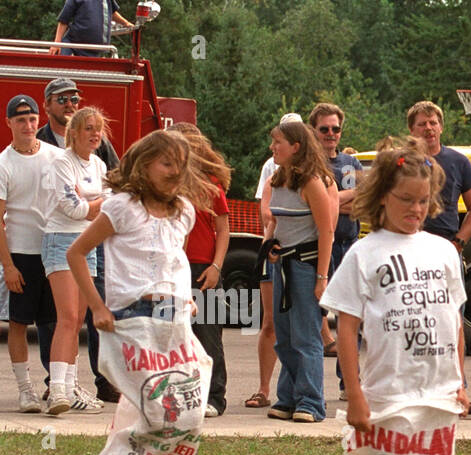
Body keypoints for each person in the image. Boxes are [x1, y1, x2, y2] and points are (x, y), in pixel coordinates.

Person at [323, 144, 469, 432]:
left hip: (439, 398)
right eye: (405, 199)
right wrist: (354, 395)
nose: (416, 209)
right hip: (385, 399)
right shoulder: (363, 253)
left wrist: (460, 384)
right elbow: (348, 328)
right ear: (382, 197)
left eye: (423, 201)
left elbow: (455, 322)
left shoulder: (444, 251)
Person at [67, 128, 208, 340]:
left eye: (181, 165)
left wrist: (186, 295)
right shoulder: (123, 207)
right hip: (131, 313)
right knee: (136, 374)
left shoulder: (184, 210)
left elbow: (176, 257)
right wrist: (97, 307)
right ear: (144, 165)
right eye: (167, 164)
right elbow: (76, 253)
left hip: (174, 311)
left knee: (177, 374)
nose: (176, 171)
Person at [38, 77, 119, 403]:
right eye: (88, 128)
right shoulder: (60, 162)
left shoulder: (99, 164)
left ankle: (71, 387)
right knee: (68, 317)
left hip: (89, 248)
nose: (94, 134)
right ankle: (57, 389)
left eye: (98, 129)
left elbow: (107, 206)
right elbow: (74, 210)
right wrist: (97, 204)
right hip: (61, 242)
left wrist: (93, 205)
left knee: (81, 319)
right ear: (74, 133)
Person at [408, 100, 471, 414]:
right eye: (422, 123)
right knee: (412, 322)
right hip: (410, 249)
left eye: (433, 122)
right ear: (412, 129)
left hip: (445, 247)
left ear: (441, 126)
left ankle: (457, 389)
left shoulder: (458, 161)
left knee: (452, 322)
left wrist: (459, 242)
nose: (429, 128)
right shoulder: (403, 162)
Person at [265, 119, 335, 423]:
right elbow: (275, 222)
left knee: (306, 336)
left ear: (296, 147)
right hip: (280, 266)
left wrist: (322, 278)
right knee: (284, 336)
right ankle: (288, 398)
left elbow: (327, 231)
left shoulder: (312, 183)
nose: (272, 147)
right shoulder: (277, 181)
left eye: (277, 142)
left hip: (306, 268)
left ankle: (311, 402)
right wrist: (269, 246)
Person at [0, 95, 58, 415]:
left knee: (59, 322)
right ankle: (25, 390)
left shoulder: (56, 156)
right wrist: (8, 265)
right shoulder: (3, 164)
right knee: (19, 323)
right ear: (9, 123)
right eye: (20, 119)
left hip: (54, 251)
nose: (28, 125)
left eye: (33, 118)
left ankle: (62, 385)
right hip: (21, 254)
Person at [172, 123, 231, 418]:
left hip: (203, 269)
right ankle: (185, 395)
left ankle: (215, 397)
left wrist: (216, 267)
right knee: (178, 335)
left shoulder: (209, 183)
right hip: (175, 268)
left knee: (208, 335)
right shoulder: (168, 182)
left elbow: (223, 228)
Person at [244, 111, 301, 409]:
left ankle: (297, 393)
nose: (274, 147)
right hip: (275, 251)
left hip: (303, 256)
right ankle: (264, 388)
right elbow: (267, 212)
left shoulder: (313, 172)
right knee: (271, 323)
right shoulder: (272, 169)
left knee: (301, 326)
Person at [310, 102, 364, 371]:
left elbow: (361, 201)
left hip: (349, 246)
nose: (331, 133)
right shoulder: (309, 165)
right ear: (313, 130)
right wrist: (336, 202)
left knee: (350, 315)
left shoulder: (350, 163)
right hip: (318, 248)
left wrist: (328, 201)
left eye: (336, 128)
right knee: (315, 310)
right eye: (324, 129)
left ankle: (348, 379)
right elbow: (309, 207)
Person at [50, 0, 133, 56]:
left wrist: (126, 23)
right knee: (62, 70)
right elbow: (63, 20)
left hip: (94, 49)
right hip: (73, 45)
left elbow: (112, 13)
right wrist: (56, 44)